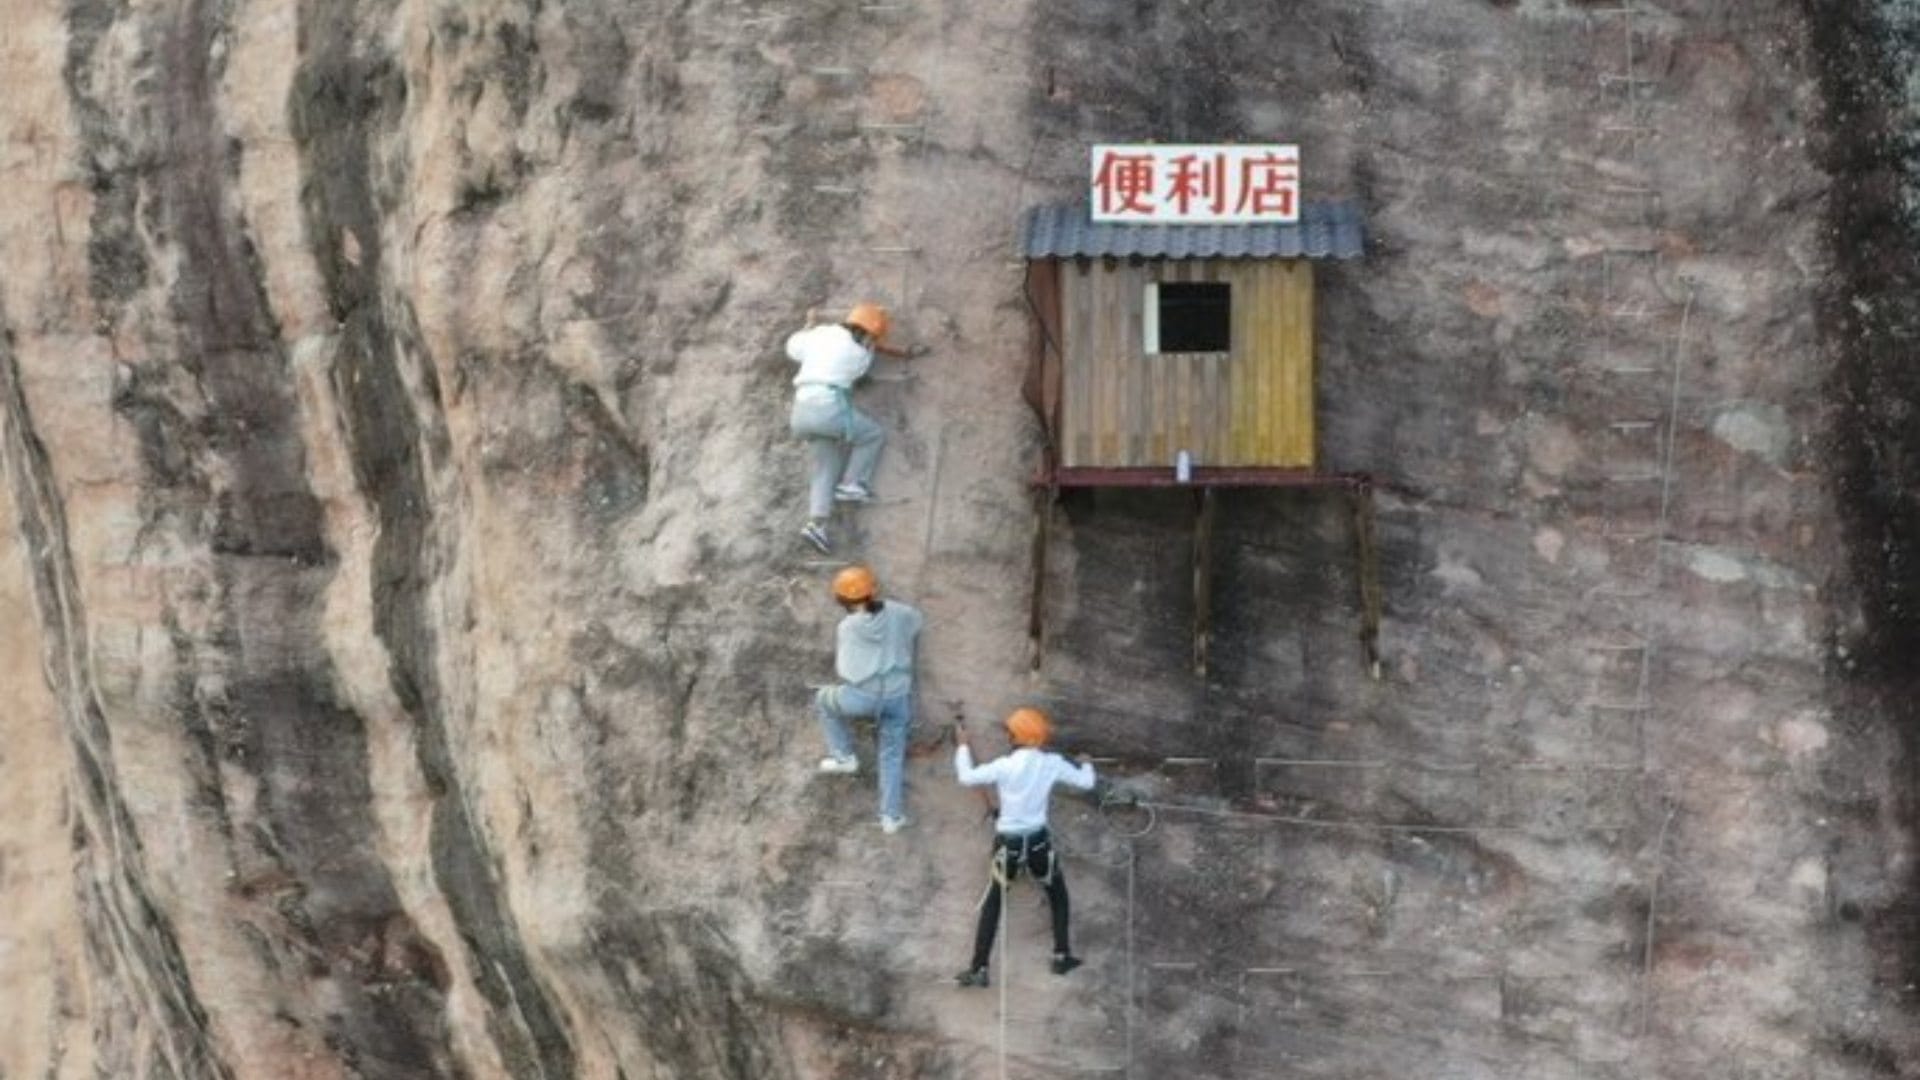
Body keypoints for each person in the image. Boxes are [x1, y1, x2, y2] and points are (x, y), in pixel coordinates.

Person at [952, 707, 1096, 987]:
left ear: (1015, 737)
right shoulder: (1051, 763)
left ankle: (979, 968)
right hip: (1038, 843)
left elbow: (966, 777)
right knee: (1057, 895)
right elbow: (1087, 782)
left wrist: (962, 746)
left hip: (1009, 845)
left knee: (994, 902)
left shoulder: (1004, 766)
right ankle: (1062, 955)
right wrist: (1086, 763)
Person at [786, 302, 926, 554]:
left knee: (825, 467)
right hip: (827, 407)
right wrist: (893, 351)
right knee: (871, 435)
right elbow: (860, 367)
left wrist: (808, 326)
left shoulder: (819, 335)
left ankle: (817, 524)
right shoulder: (858, 354)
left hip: (801, 413)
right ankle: (853, 483)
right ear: (869, 334)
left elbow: (792, 347)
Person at [814, 564, 924, 834]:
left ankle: (844, 757)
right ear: (872, 591)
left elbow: (846, 671)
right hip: (898, 698)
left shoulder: (848, 627)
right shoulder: (898, 611)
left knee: (823, 699)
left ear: (842, 600)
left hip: (862, 698)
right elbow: (916, 622)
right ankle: (891, 818)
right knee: (891, 757)